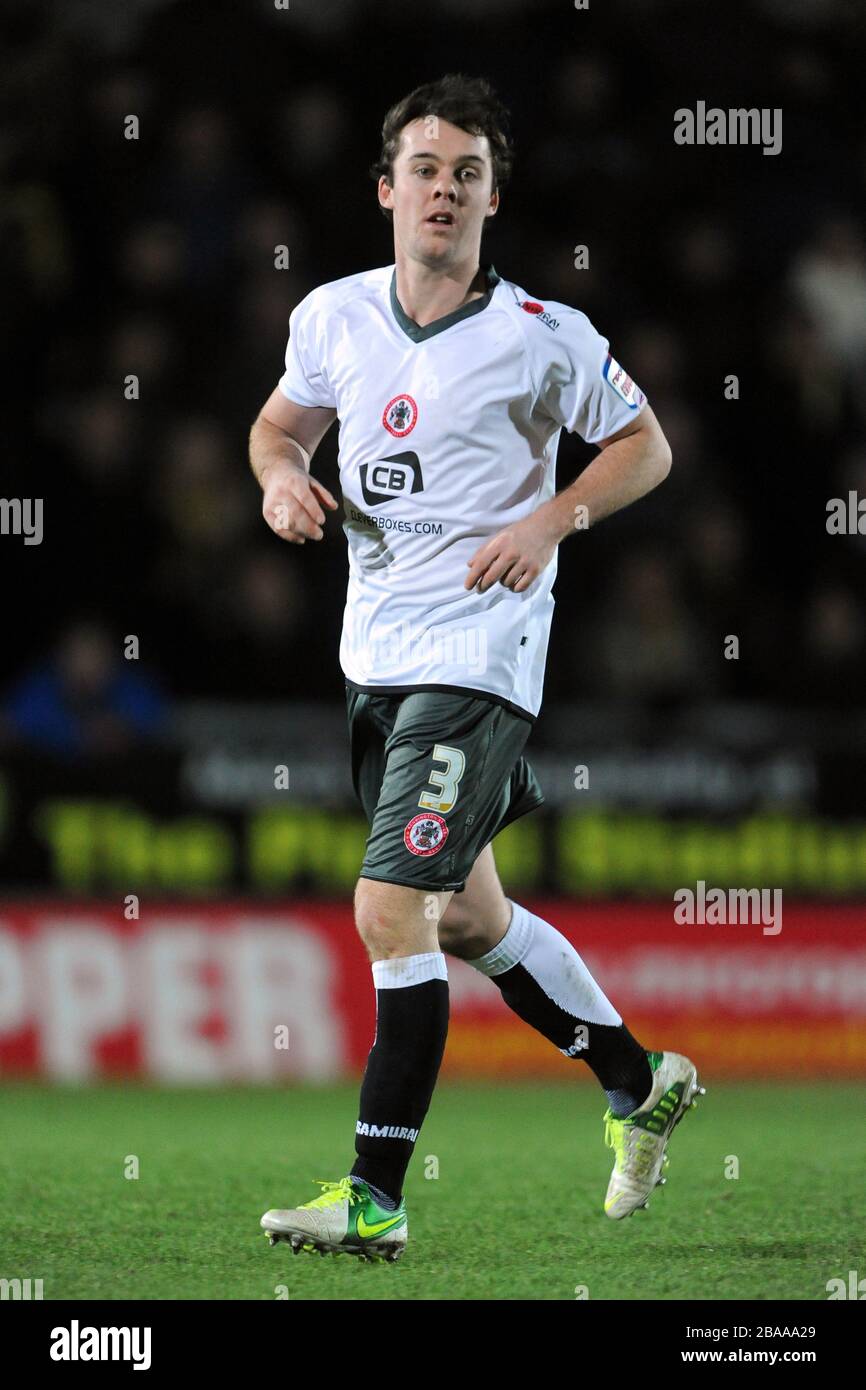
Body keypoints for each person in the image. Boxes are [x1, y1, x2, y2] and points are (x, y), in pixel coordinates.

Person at [249, 74, 702, 1264]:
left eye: (467, 174)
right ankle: (637, 1081)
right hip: (375, 660)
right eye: (425, 168)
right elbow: (277, 426)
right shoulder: (333, 316)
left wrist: (551, 520)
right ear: (385, 187)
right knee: (470, 919)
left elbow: (645, 447)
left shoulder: (546, 337)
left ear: (492, 198)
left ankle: (373, 1200)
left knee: (390, 906)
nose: (442, 190)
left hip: (480, 658)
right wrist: (279, 478)